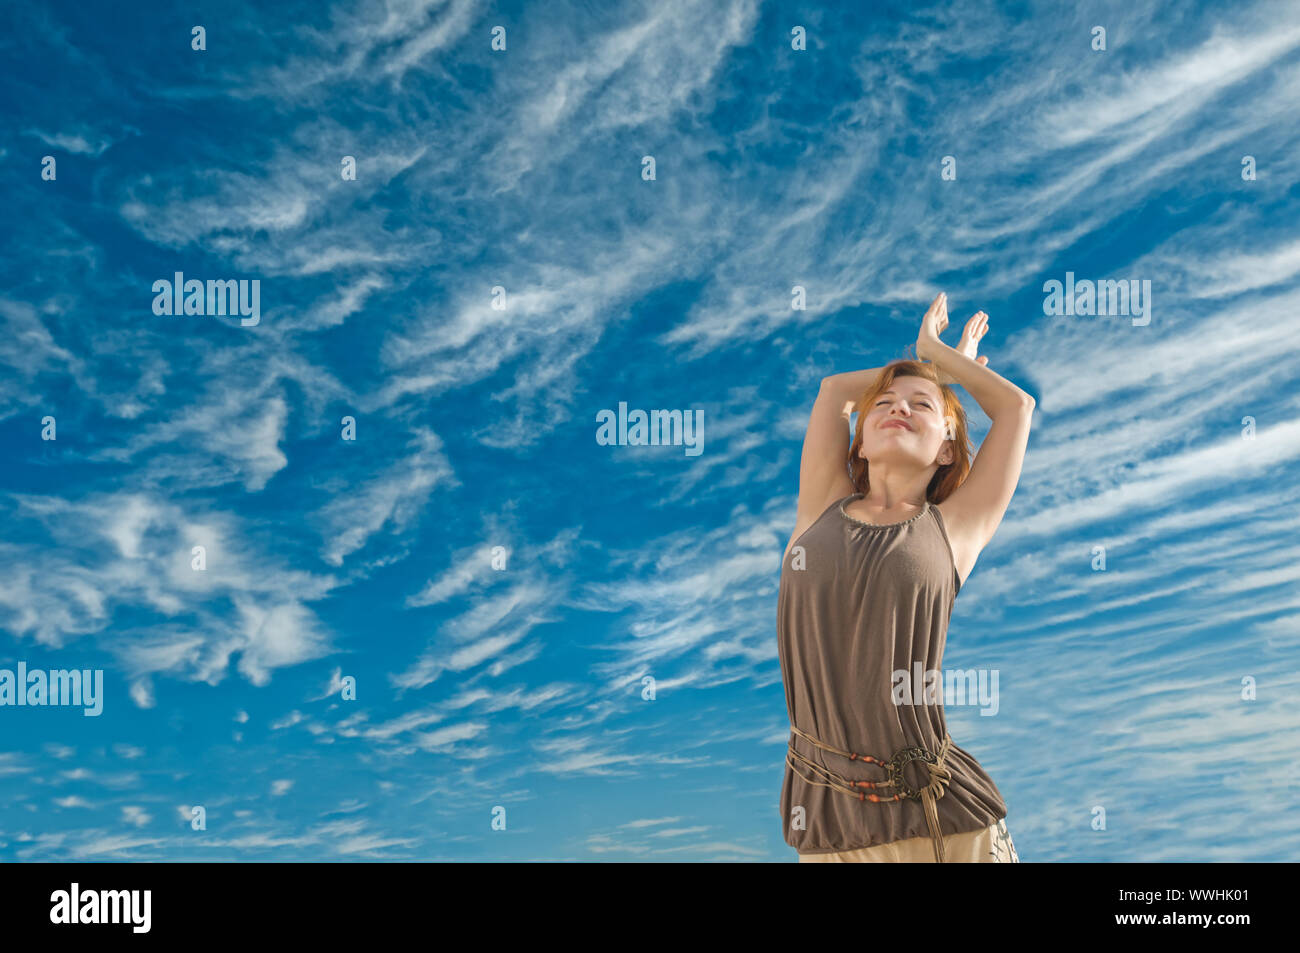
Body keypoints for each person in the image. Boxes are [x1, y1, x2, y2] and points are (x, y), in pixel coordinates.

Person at [777, 291, 1035, 862]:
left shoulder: (955, 528)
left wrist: (937, 360)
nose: (899, 407)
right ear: (860, 441)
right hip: (831, 821)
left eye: (922, 406)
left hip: (948, 819)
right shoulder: (820, 504)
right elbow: (834, 392)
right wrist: (933, 372)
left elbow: (1017, 409)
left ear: (948, 449)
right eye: (885, 403)